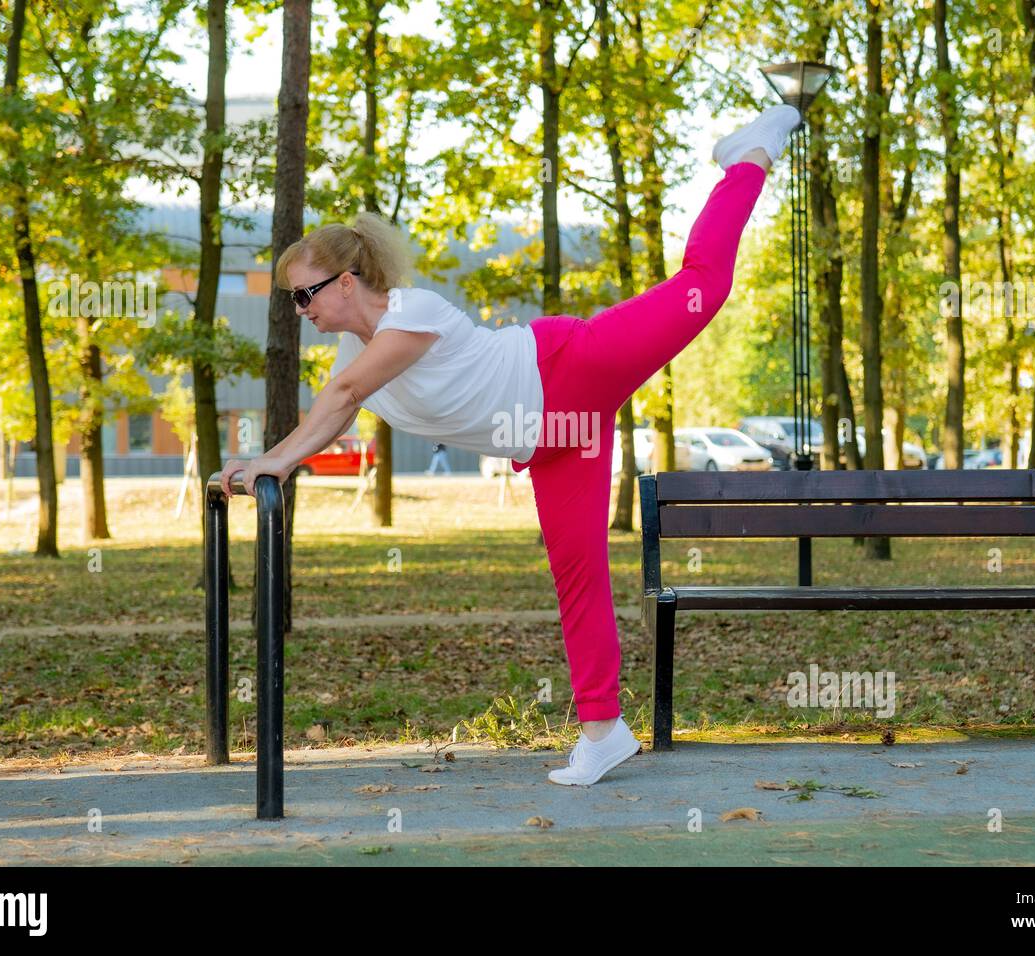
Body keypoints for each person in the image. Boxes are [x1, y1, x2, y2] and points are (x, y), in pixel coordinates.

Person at [219, 104, 801, 786]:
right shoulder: (353, 351)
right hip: (555, 440)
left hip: (571, 368)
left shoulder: (413, 314)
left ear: (347, 282)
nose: (300, 310)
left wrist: (273, 463)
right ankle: (605, 731)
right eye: (293, 300)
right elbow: (335, 413)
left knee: (703, 286)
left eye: (304, 295)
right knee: (577, 577)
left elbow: (344, 397)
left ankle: (749, 157)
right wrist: (273, 461)